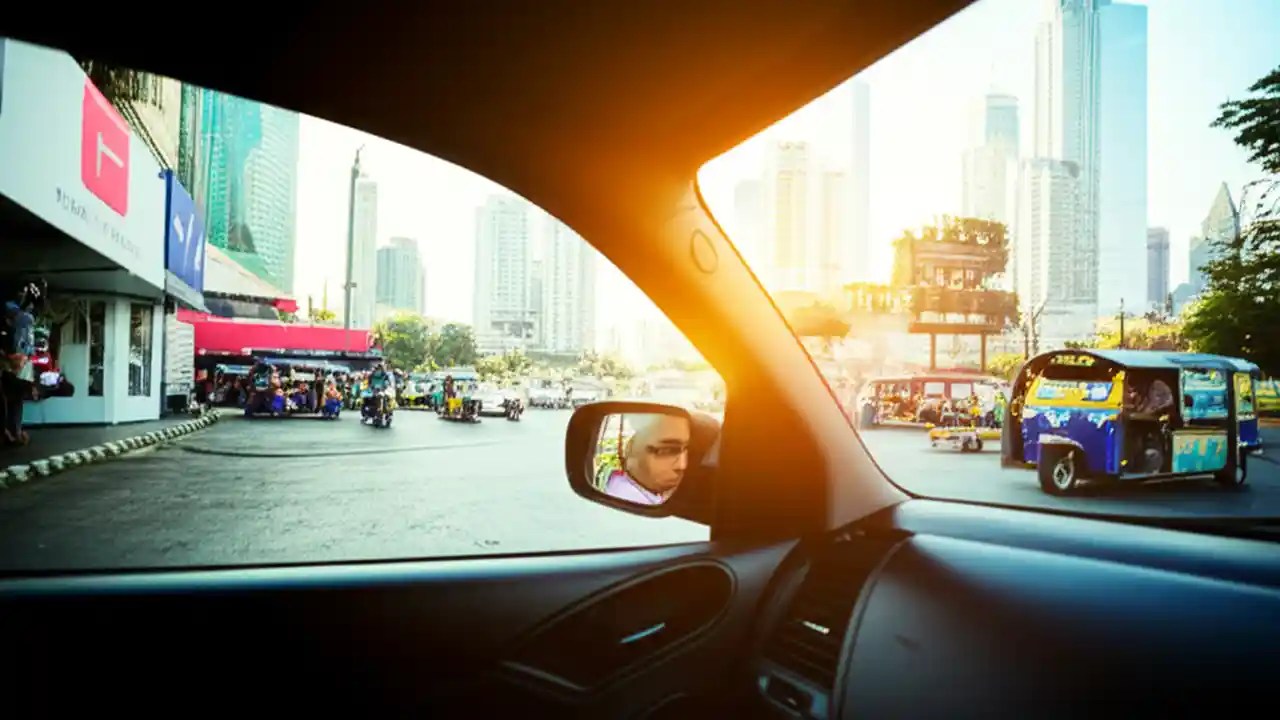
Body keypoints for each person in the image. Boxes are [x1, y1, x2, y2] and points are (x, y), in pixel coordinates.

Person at [604, 414, 691, 505]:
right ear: (632, 456)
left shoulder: (624, 484)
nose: (682, 466)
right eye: (666, 450)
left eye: (688, 450)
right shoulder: (630, 499)